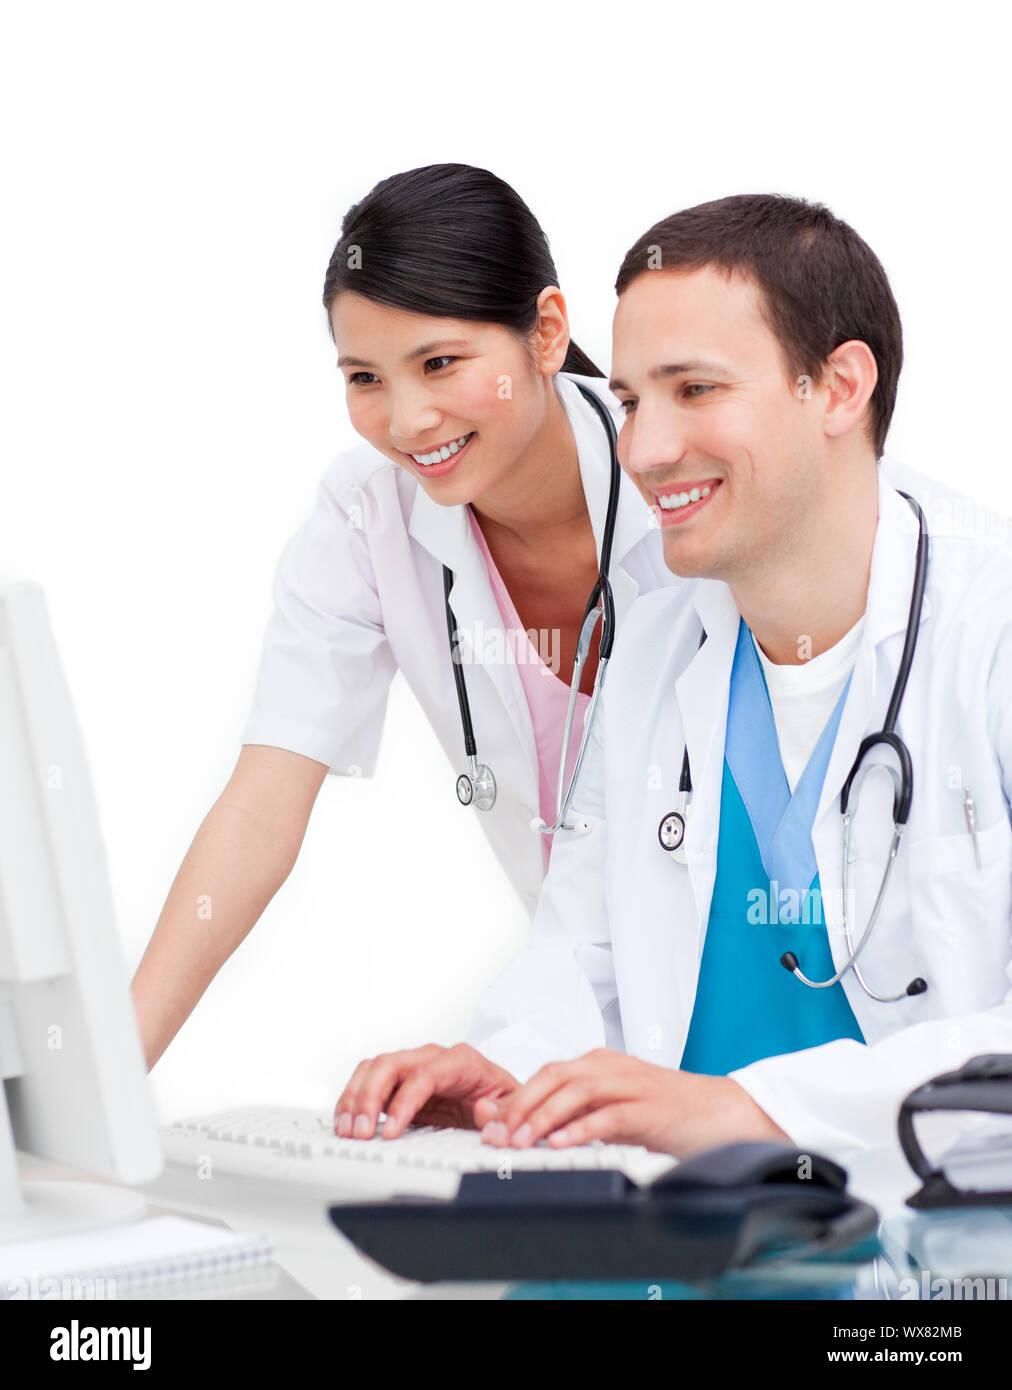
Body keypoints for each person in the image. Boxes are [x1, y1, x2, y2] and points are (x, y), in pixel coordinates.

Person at [334, 193, 1012, 1162]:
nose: (643, 449)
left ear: (838, 386)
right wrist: (507, 1072)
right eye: (628, 400)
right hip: (693, 1239)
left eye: (693, 390)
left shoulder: (988, 638)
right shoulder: (656, 650)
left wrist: (747, 1107)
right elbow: (578, 959)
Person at [130, 163, 677, 1072]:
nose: (407, 418)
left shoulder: (681, 491)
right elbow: (263, 803)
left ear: (546, 333)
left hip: (762, 997)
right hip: (573, 1017)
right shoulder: (365, 518)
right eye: (364, 377)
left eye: (440, 363)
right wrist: (110, 1075)